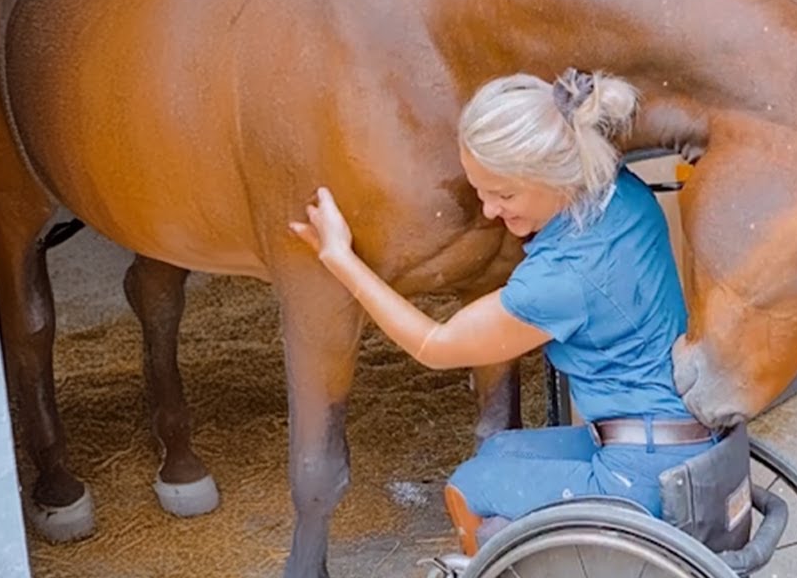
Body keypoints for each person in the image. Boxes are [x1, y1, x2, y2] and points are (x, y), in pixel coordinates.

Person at [288, 67, 714, 558]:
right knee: (500, 452)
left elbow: (435, 346)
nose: (490, 210)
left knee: (471, 485)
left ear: (552, 177)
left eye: (505, 194)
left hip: (641, 469)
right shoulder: (620, 192)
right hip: (678, 434)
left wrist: (340, 258)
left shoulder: (562, 280)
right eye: (480, 191)